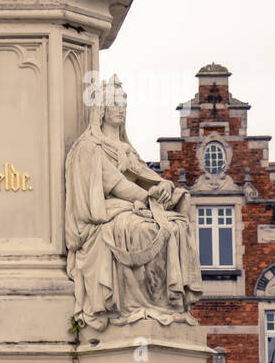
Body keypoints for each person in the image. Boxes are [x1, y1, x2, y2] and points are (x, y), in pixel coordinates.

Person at [65, 80, 202, 330]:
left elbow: (145, 177)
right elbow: (118, 185)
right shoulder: (90, 148)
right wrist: (148, 199)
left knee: (178, 226)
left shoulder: (126, 149)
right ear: (101, 109)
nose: (121, 109)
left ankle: (167, 305)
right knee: (144, 231)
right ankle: (139, 306)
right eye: (115, 103)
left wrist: (163, 188)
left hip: (132, 206)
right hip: (107, 214)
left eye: (123, 103)